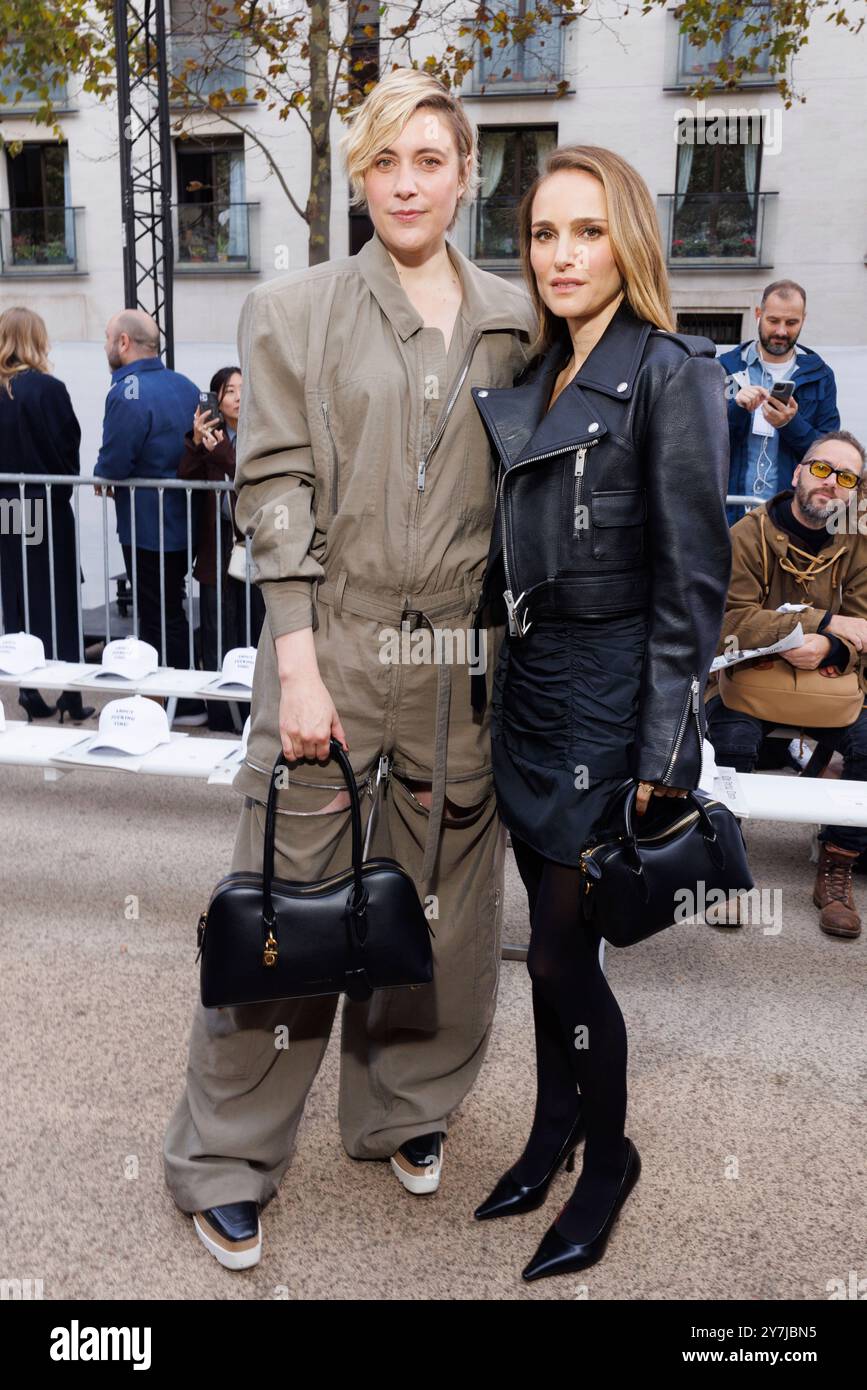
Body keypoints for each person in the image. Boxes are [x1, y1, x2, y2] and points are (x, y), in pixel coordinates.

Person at [163, 67, 538, 1270]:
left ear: (466, 170)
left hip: (463, 662)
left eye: (430, 158)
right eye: (385, 161)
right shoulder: (294, 309)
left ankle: (406, 1109)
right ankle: (228, 1158)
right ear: (360, 176)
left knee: (443, 899)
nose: (408, 182)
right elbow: (274, 490)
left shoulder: (520, 318)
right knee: (290, 907)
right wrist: (303, 666)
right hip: (327, 641)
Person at [470, 146, 731, 1282]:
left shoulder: (673, 374)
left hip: (609, 710)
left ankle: (608, 1156)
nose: (561, 256)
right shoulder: (538, 378)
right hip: (531, 704)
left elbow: (693, 584)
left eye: (585, 231)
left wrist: (667, 751)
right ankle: (553, 1124)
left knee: (563, 963)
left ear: (629, 238)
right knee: (547, 949)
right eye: (541, 234)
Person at [705, 430, 867, 940]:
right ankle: (726, 870)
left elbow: (863, 626)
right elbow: (727, 623)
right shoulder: (747, 535)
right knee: (730, 741)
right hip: (749, 683)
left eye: (847, 478)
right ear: (798, 471)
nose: (831, 485)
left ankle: (837, 866)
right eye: (821, 469)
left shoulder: (860, 546)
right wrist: (819, 623)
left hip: (830, 684)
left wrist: (832, 647)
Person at [93, 309, 204, 724]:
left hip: (145, 525)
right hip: (182, 522)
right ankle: (179, 698)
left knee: (157, 612)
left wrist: (103, 474)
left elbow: (117, 457)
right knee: (171, 607)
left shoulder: (127, 391)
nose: (105, 345)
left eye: (108, 338)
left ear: (124, 343)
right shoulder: (184, 385)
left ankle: (176, 702)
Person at [0, 305, 93, 724]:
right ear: (36, 339)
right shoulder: (48, 390)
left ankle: (27, 687)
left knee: (18, 594)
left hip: (7, 505)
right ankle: (70, 691)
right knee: (57, 593)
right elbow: (67, 449)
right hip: (44, 503)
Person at [178, 366, 265, 731]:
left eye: (245, 389)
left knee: (252, 631)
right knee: (218, 632)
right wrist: (196, 443)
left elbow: (249, 479)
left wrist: (222, 452)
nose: (239, 398)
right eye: (230, 391)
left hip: (255, 552)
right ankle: (220, 713)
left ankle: (252, 715)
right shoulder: (208, 438)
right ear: (216, 398)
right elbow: (183, 475)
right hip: (216, 552)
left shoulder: (262, 434)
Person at [720, 280, 841, 522]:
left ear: (803, 320)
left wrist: (791, 424)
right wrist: (738, 409)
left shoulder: (821, 376)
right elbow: (703, 442)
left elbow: (830, 458)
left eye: (792, 322)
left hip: (790, 517)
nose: (781, 331)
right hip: (729, 512)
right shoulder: (725, 368)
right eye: (773, 321)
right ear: (758, 314)